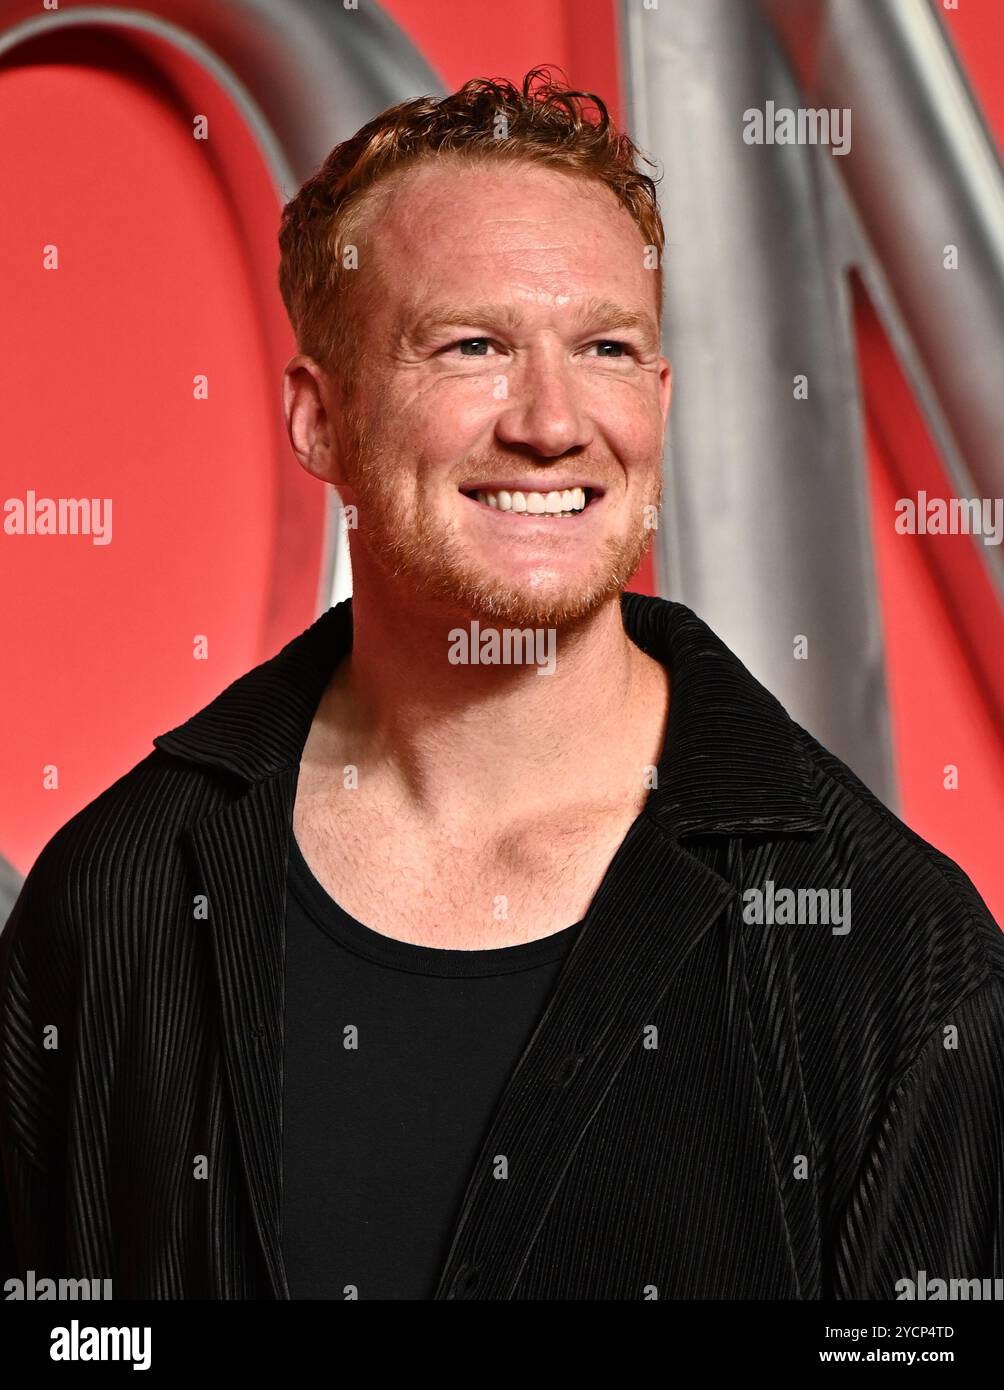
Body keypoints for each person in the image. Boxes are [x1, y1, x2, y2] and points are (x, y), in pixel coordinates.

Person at [2, 69, 1002, 1302]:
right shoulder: (120, 898)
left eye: (604, 349)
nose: (550, 421)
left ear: (660, 400)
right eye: (470, 345)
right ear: (319, 419)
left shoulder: (890, 947)